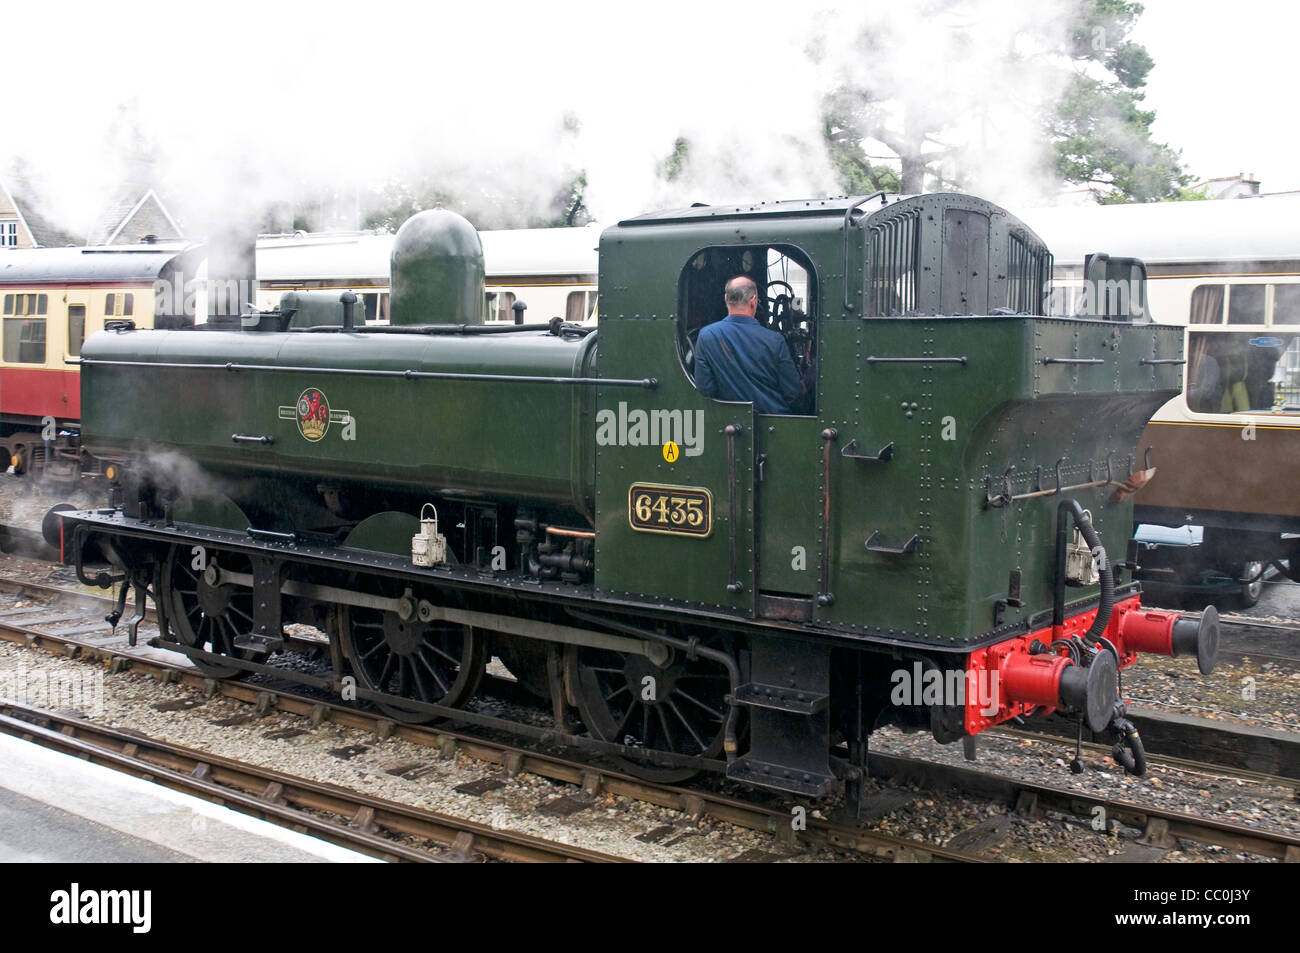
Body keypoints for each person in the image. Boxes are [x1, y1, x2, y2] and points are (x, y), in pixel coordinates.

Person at [694, 276, 804, 415]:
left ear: (726, 297)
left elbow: (705, 389)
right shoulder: (775, 340)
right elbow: (793, 394)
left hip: (728, 420)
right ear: (753, 300)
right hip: (775, 422)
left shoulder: (706, 336)